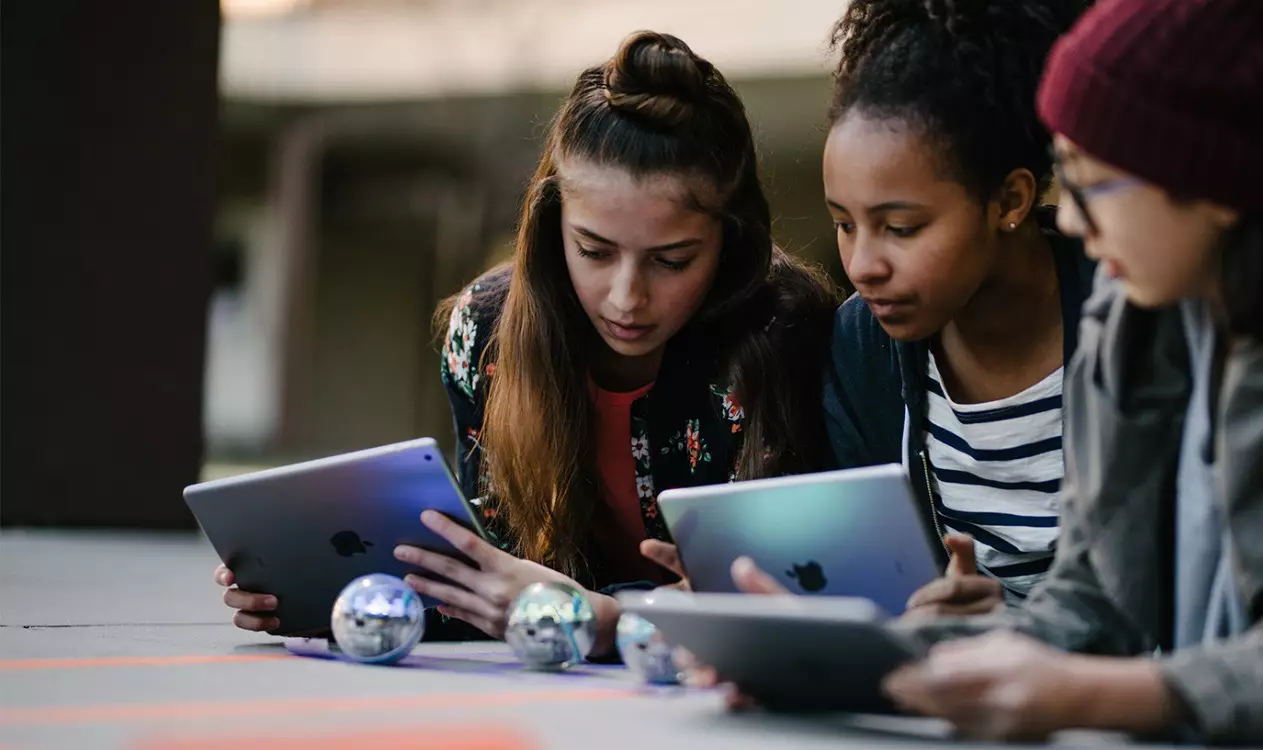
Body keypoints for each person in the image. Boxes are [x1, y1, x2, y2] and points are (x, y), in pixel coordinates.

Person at [881, 0, 1263, 743]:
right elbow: (1089, 599)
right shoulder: (1135, 302)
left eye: (1088, 180)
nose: (1070, 221)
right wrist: (856, 658)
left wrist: (1089, 696)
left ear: (1210, 180)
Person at [213, 31, 841, 654]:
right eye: (593, 251)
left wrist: (597, 618)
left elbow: (791, 600)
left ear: (730, 241)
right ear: (550, 226)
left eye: (672, 260)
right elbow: (494, 584)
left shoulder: (780, 331)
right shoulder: (485, 329)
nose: (626, 296)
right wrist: (337, 593)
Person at [642, 0, 1093, 619]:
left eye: (901, 227)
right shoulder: (862, 346)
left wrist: (1013, 635)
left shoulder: (1133, 317)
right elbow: (876, 593)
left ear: (1009, 200)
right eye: (845, 225)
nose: (861, 265)